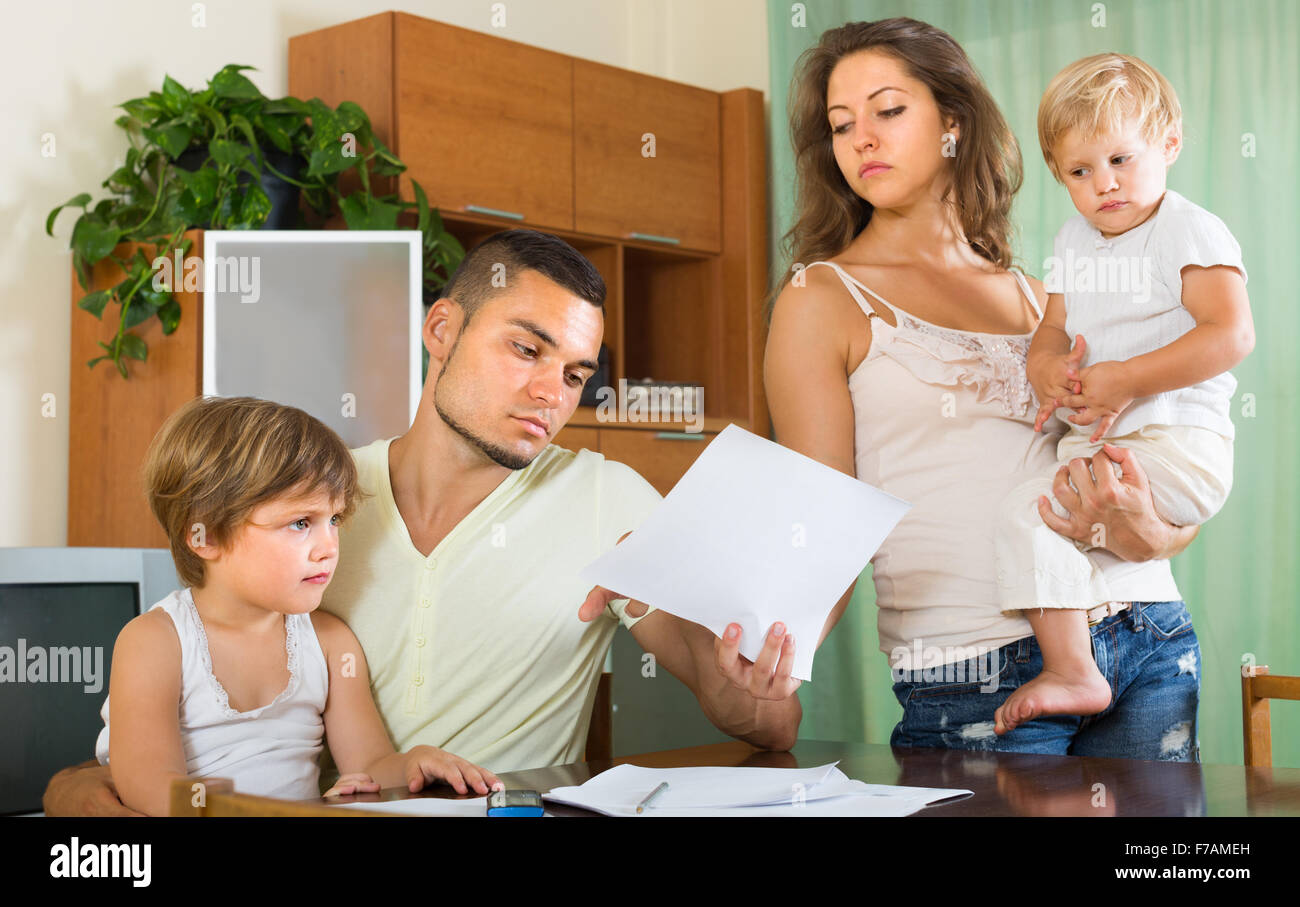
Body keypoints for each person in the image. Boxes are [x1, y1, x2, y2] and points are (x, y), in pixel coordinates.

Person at [45, 228, 800, 815]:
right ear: (441, 329)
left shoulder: (611, 499)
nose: (551, 392)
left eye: (574, 374)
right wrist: (78, 787)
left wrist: (753, 681)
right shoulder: (317, 495)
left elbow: (767, 723)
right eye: (525, 348)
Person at [760, 18, 1203, 759]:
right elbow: (823, 519)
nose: (862, 138)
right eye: (842, 125)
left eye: (889, 110)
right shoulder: (821, 297)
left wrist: (1157, 531)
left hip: (1147, 634)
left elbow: (1165, 459)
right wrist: (771, 647)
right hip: (972, 672)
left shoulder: (1051, 296)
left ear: (954, 125)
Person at [992, 53, 1253, 734]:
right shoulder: (1071, 240)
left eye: (1120, 160)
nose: (1104, 184)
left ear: (1168, 145)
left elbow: (1231, 334)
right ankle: (1076, 666)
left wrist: (1124, 379)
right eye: (1080, 171)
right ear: (1058, 173)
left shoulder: (1186, 228)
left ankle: (1074, 671)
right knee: (1025, 512)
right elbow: (1049, 331)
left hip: (1177, 443)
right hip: (1107, 443)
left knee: (1038, 510)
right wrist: (1046, 366)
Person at [96, 395, 503, 816]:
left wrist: (412, 764)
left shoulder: (330, 642)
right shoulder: (154, 642)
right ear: (206, 536)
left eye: (335, 520)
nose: (328, 547)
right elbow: (152, 787)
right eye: (300, 523)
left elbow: (369, 765)